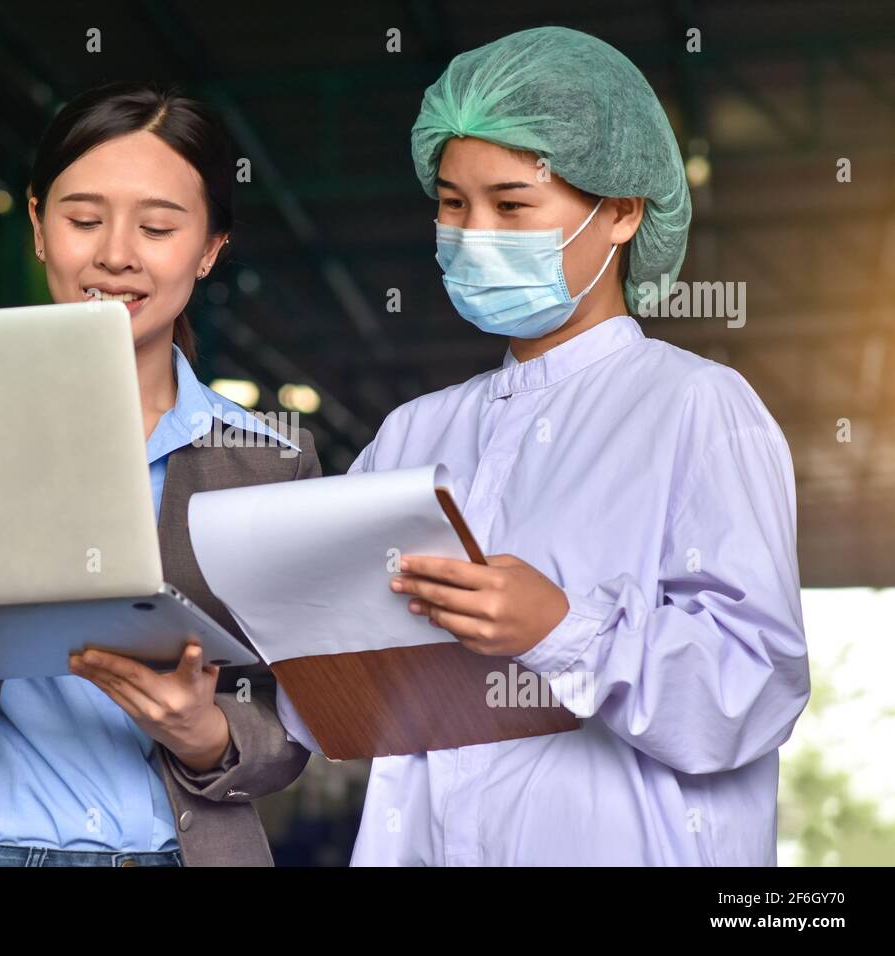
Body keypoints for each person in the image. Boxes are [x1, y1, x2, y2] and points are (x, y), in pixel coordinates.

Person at [278, 26, 810, 866]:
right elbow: (334, 697)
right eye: (453, 204)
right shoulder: (413, 433)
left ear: (624, 211)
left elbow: (753, 691)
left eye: (513, 205)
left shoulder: (698, 408)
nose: (474, 232)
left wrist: (565, 628)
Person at [0, 81, 320, 867]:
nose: (115, 253)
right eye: (82, 219)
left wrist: (207, 735)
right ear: (38, 226)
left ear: (209, 249)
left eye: (159, 226)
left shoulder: (269, 462)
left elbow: (304, 710)